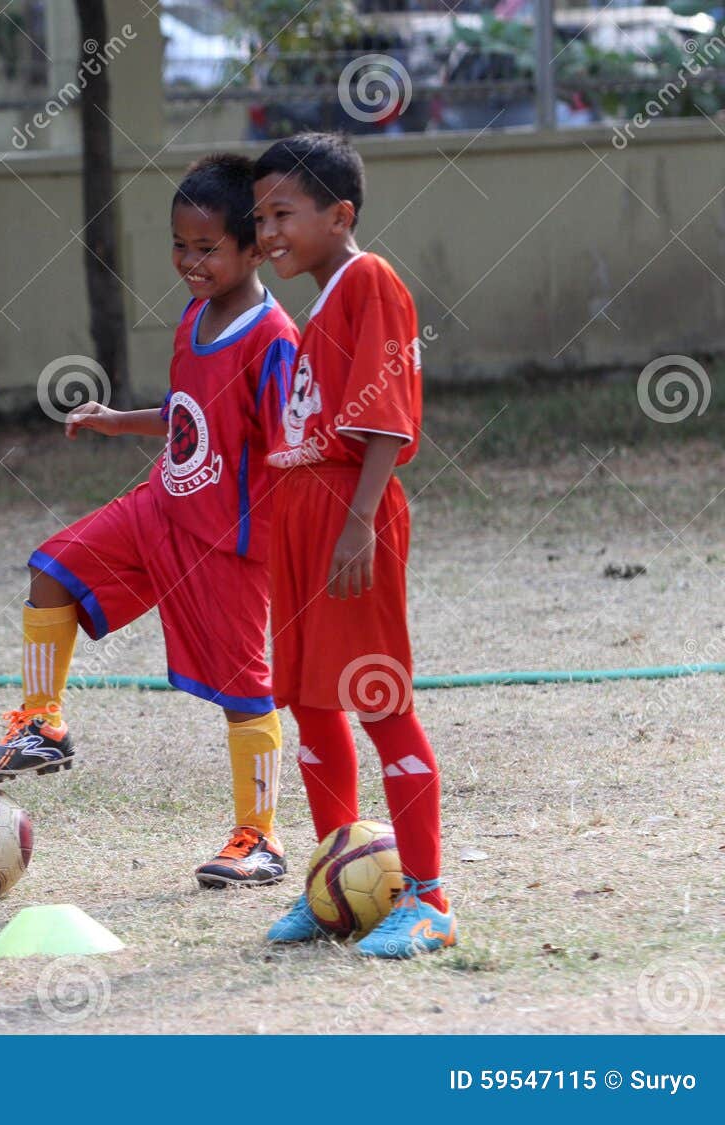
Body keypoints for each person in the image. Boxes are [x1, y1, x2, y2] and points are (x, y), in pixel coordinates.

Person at [0, 154, 300, 888]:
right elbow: (192, 421)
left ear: (254, 248)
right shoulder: (193, 315)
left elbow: (288, 447)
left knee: (245, 691)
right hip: (160, 509)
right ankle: (43, 724)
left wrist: (315, 534)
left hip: (225, 541)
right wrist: (121, 421)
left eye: (208, 248)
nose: (190, 261)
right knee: (53, 567)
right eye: (180, 245)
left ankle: (260, 837)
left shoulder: (273, 339)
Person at [250, 132, 457, 957]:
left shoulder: (369, 280)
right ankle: (339, 880)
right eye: (259, 216)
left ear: (340, 215)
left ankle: (431, 897)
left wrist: (360, 520)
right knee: (309, 699)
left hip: (346, 506)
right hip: (301, 509)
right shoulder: (321, 298)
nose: (268, 233)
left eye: (284, 213)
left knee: (378, 698)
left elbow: (384, 418)